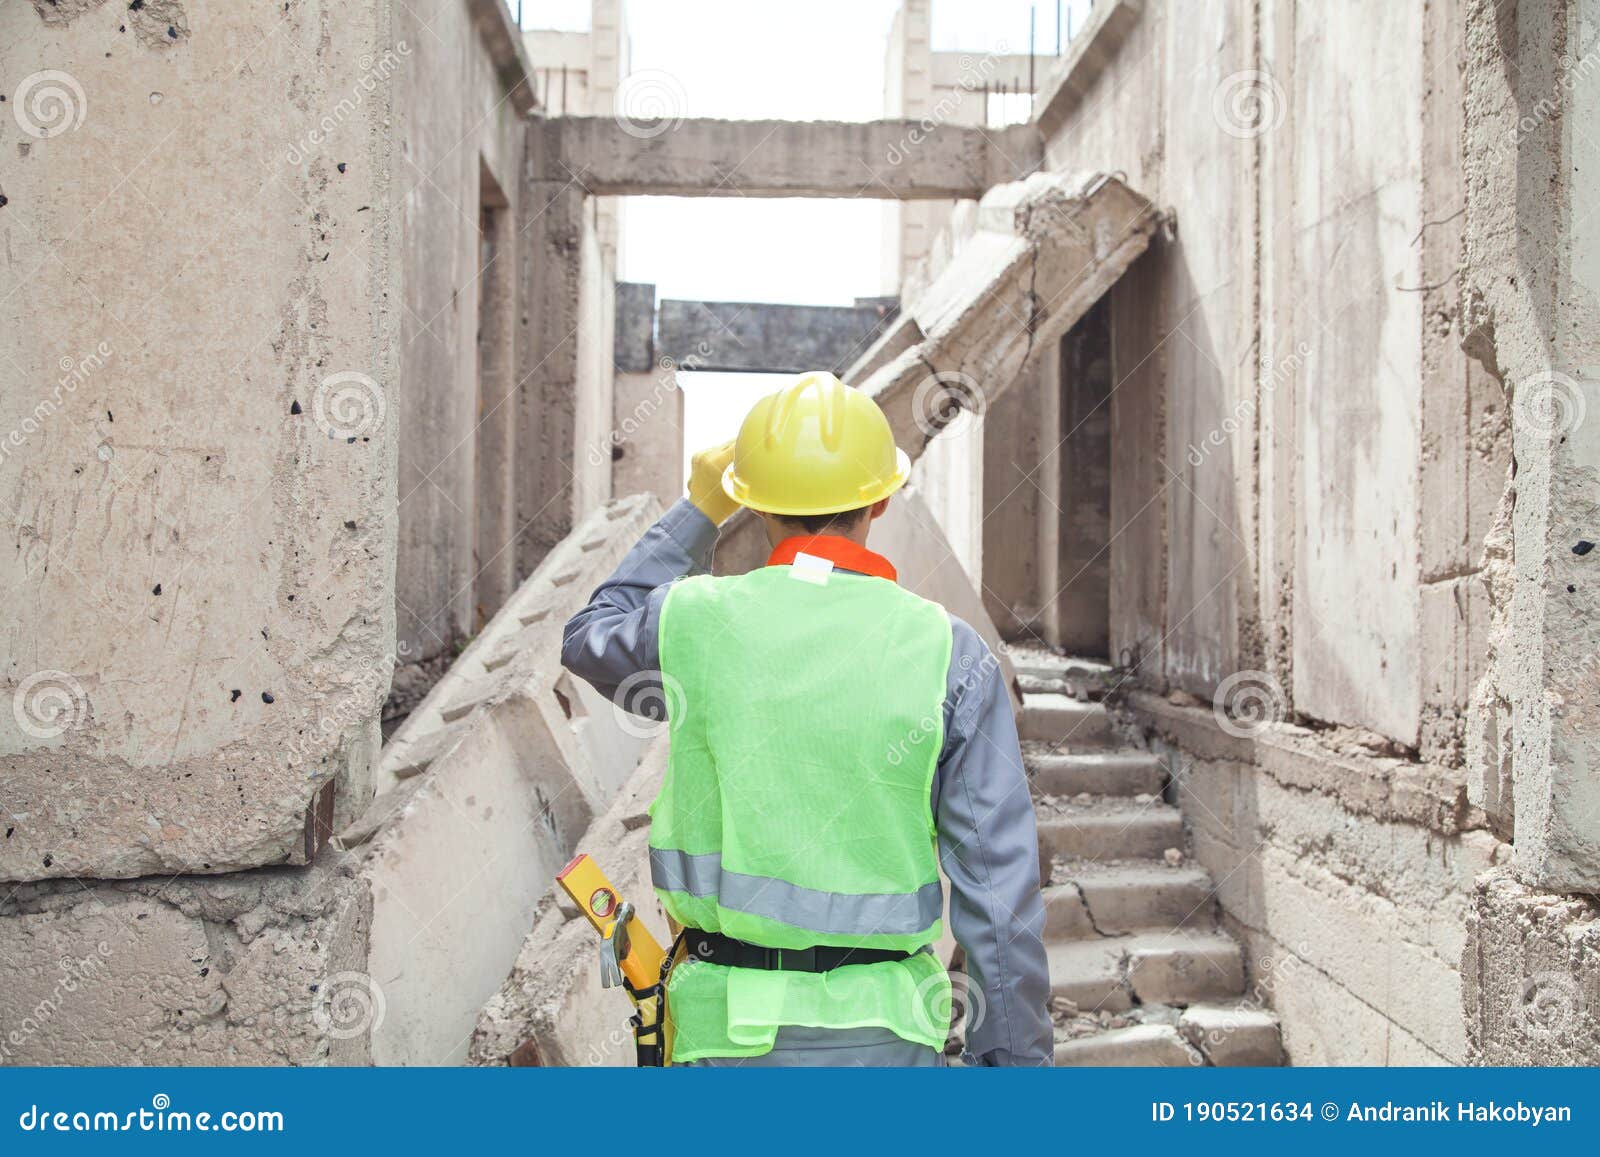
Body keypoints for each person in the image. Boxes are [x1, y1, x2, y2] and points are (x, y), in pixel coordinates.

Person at [562, 370, 1052, 1067]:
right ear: (880, 497)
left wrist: (697, 508)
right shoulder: (948, 653)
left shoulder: (695, 621)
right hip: (888, 1042)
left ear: (753, 503)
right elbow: (1000, 898)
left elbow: (589, 634)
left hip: (721, 1037)